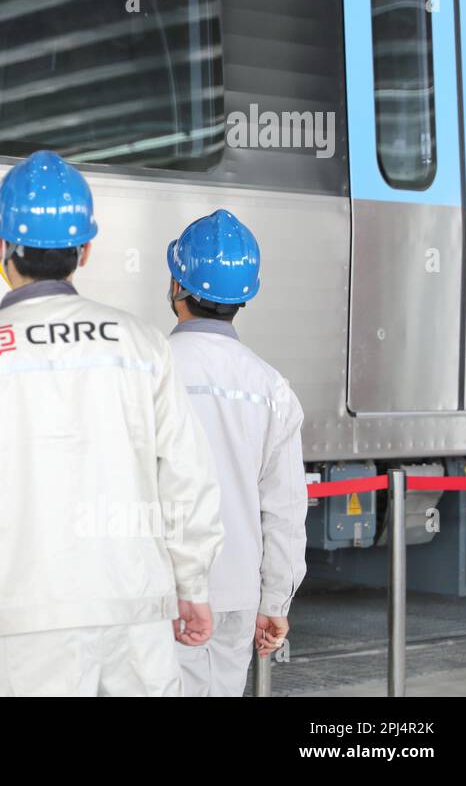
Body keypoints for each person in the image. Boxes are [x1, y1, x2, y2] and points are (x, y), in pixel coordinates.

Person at [0, 150, 224, 697]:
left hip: (25, 613)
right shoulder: (142, 343)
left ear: (2, 246)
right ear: (85, 249)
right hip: (136, 607)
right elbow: (188, 475)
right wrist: (191, 582)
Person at [165, 209, 308, 696]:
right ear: (245, 296)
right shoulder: (271, 386)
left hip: (164, 593)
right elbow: (286, 508)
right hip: (237, 593)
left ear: (176, 285)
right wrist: (275, 602)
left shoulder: (148, 371)